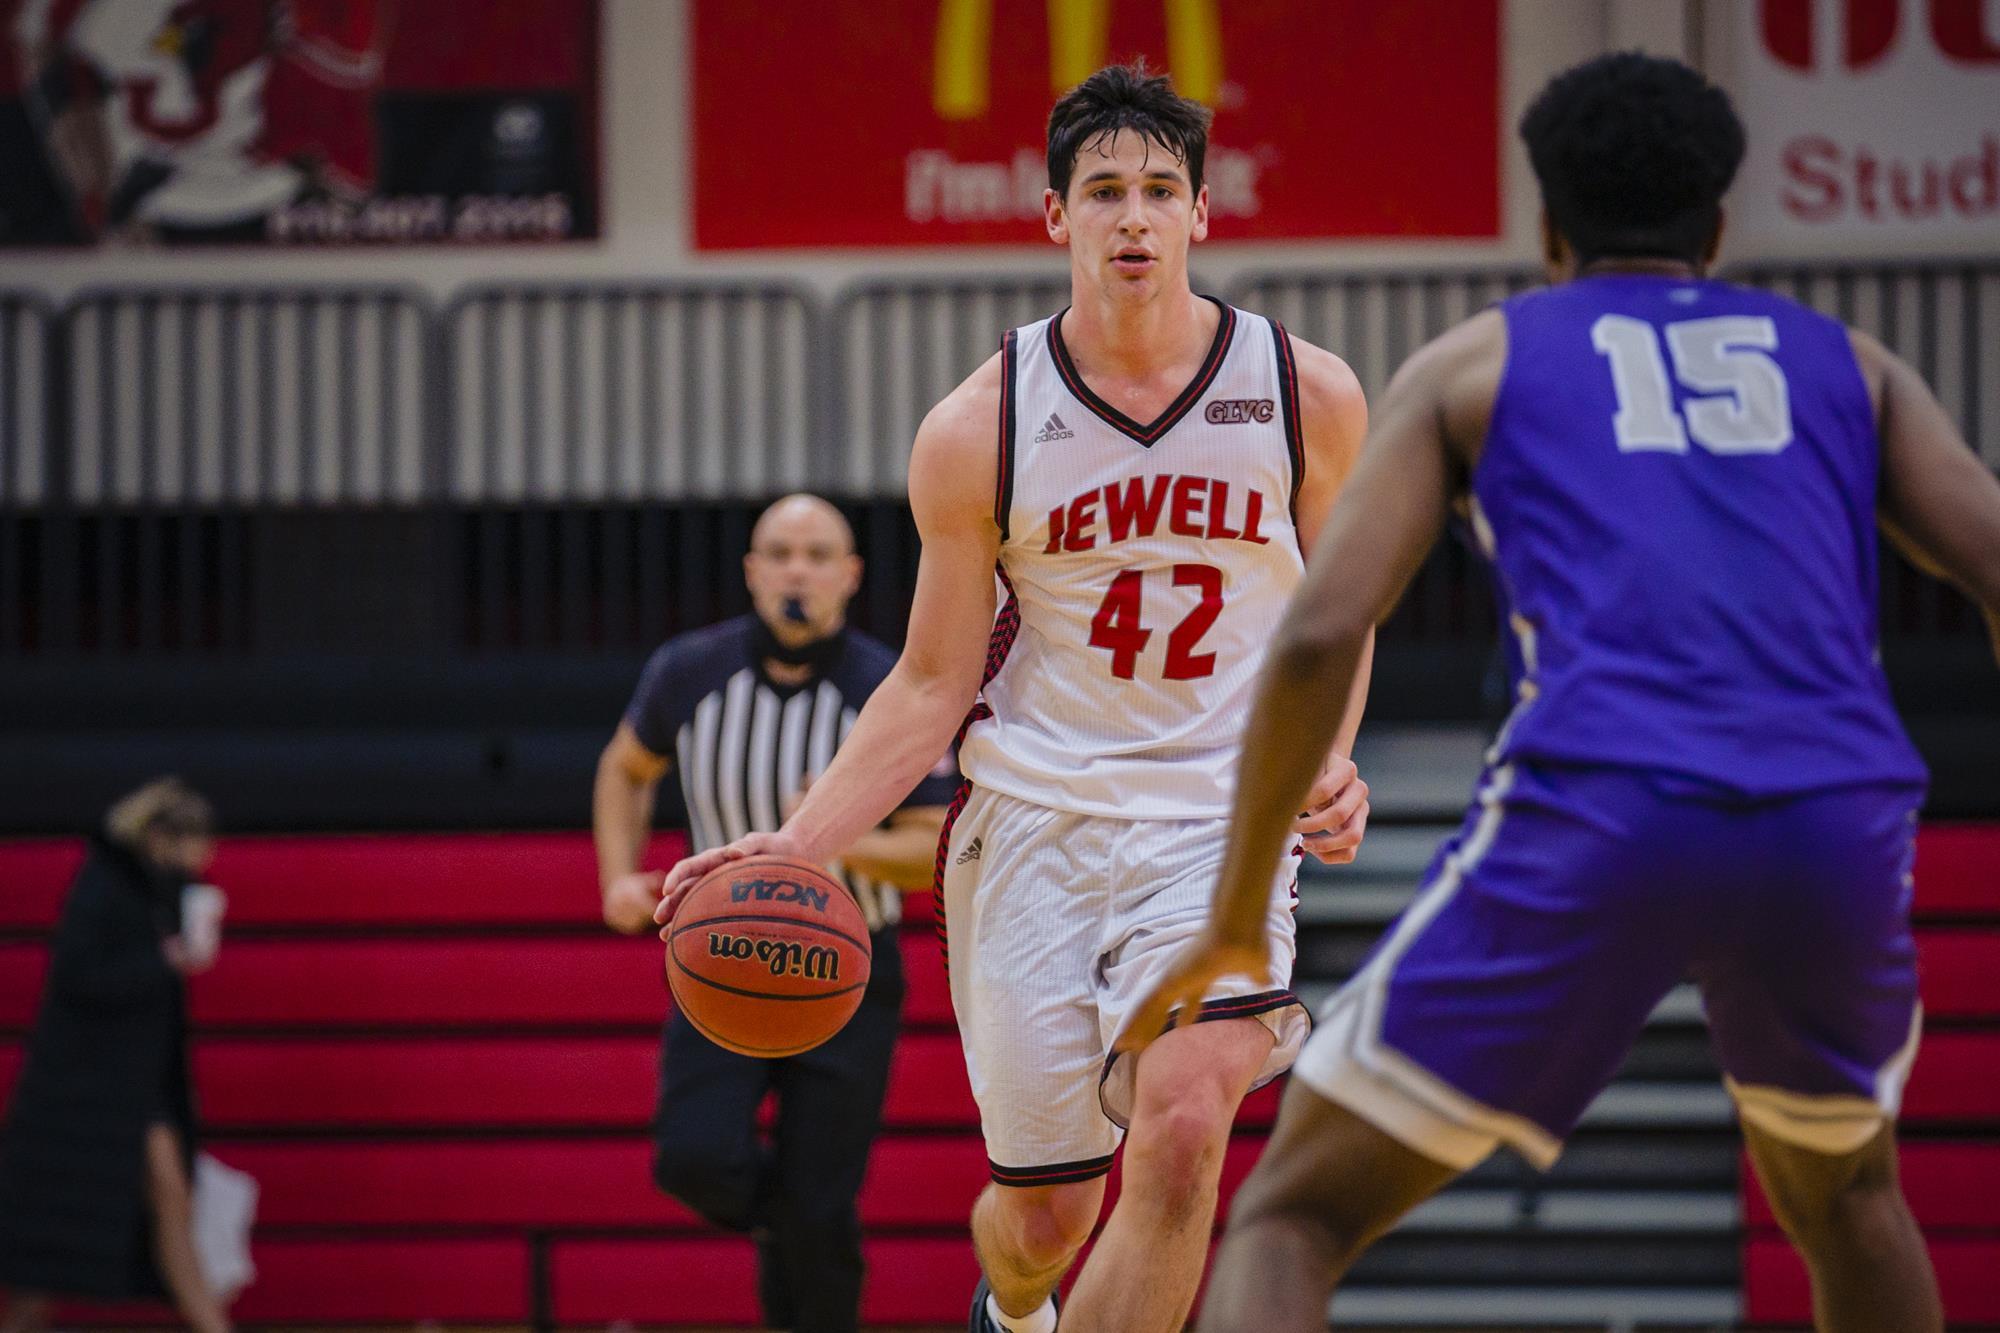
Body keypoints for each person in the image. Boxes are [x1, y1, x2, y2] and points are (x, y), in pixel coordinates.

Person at [1125, 52, 2000, 1333]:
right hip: (1832, 815)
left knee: (1291, 1218)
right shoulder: (1846, 365)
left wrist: (1233, 907)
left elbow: (1318, 628)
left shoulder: (1483, 360)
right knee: (1851, 1198)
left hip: (1604, 805)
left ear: (1545, 230)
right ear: (1713, 223)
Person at [657, 63, 1373, 1333]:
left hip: (1219, 820)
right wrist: (795, 846)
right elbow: (932, 680)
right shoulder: (977, 425)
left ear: (1203, 212)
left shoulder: (1306, 393)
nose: (1133, 218)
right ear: (1053, 216)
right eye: (1103, 192)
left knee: (1188, 1120)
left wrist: (1329, 751)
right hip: (1032, 823)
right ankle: (1013, 1311)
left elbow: (1336, 610)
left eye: (1159, 190)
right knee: (1042, 1220)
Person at [594, 493, 951, 1333]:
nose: (799, 568)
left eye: (819, 553)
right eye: (781, 552)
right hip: (715, 959)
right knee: (694, 1160)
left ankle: (806, 1241)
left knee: (821, 1196)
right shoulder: (689, 670)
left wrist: (834, 833)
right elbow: (624, 767)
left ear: (850, 575)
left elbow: (936, 845)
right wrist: (618, 875)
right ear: (753, 572)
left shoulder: (890, 689)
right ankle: (794, 1218)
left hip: (848, 970)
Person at [0, 778, 233, 1333]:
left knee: (168, 1200)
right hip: (83, 1092)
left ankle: (209, 1322)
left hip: (131, 1088)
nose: (206, 855)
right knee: (43, 1262)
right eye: (196, 842)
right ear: (160, 837)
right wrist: (167, 960)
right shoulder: (103, 885)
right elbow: (78, 977)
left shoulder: (160, 891)